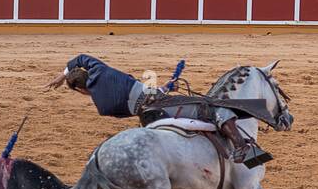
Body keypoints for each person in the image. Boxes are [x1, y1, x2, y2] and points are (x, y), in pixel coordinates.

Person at [45, 54, 270, 165]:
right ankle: (243, 149)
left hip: (149, 118)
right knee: (209, 108)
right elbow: (80, 58)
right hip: (159, 103)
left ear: (81, 90)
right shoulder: (98, 68)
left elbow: (135, 105)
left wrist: (162, 89)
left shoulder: (102, 107)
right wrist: (62, 74)